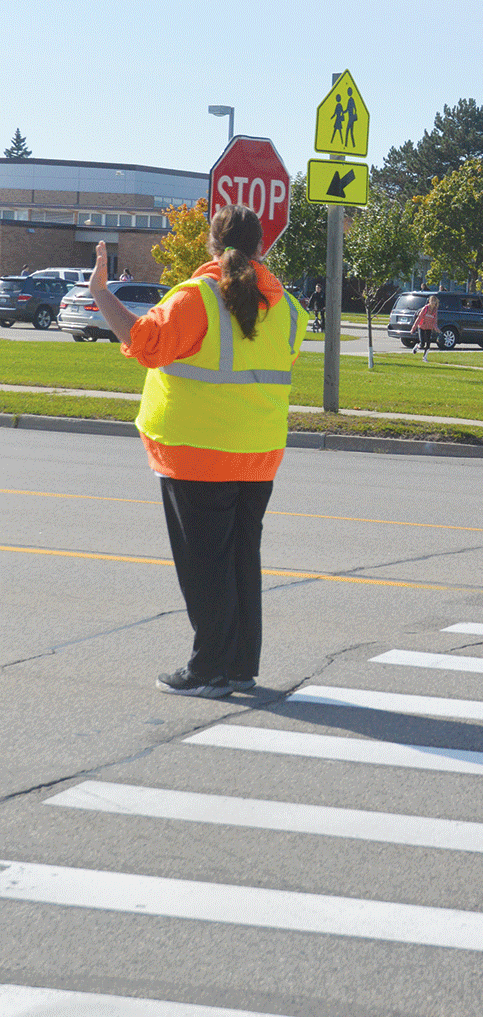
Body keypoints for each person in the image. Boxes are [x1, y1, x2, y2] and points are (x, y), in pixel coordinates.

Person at [86, 208, 304, 697]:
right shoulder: (287, 307)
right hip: (259, 453)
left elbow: (145, 344)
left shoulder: (197, 296)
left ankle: (208, 669)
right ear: (260, 246)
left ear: (210, 242)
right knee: (241, 560)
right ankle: (240, 666)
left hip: (198, 452)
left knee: (204, 564)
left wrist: (101, 293)